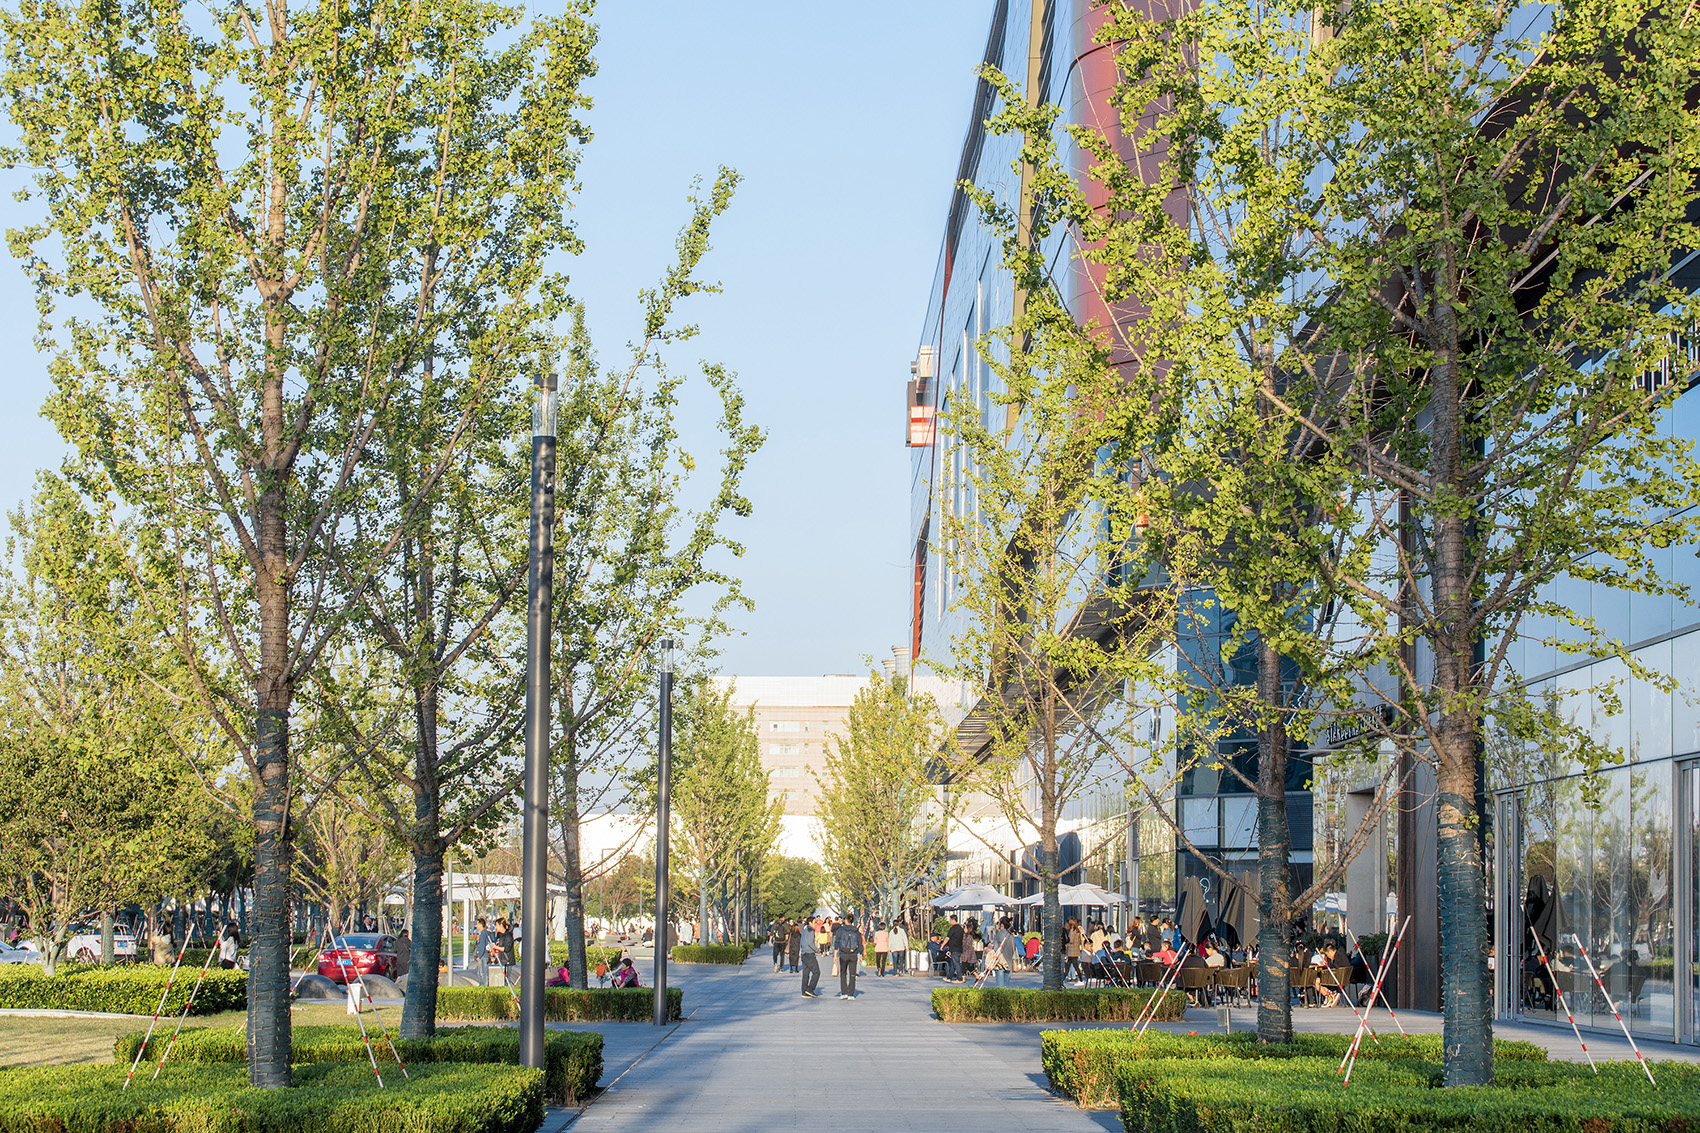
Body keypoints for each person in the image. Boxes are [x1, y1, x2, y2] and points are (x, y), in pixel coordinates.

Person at [832, 916, 863, 999]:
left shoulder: (841, 930)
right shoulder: (856, 931)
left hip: (843, 954)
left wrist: (835, 954)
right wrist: (860, 954)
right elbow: (860, 943)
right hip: (853, 954)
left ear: (846, 920)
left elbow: (837, 942)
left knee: (843, 973)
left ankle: (844, 992)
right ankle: (851, 994)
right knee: (852, 974)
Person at [474, 915, 493, 986]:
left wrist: (479, 956)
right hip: (486, 955)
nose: (476, 926)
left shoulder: (483, 934)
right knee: (485, 972)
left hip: (483, 956)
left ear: (480, 925)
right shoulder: (487, 933)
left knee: (481, 972)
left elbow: (482, 945)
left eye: (477, 924)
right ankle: (484, 985)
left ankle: (483, 985)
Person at [944, 916, 965, 982]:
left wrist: (942, 945)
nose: (950, 922)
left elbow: (947, 938)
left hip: (954, 948)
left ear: (953, 920)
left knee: (956, 964)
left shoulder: (953, 928)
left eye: (950, 920)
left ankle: (959, 978)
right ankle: (949, 977)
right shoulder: (961, 928)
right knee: (953, 964)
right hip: (959, 948)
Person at [1065, 917, 1085, 982]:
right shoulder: (1077, 930)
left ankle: (1080, 979)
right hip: (1075, 950)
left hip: (1071, 951)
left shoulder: (1072, 931)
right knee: (1071, 966)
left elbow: (1071, 940)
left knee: (1072, 966)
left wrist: (1066, 941)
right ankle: (1064, 978)